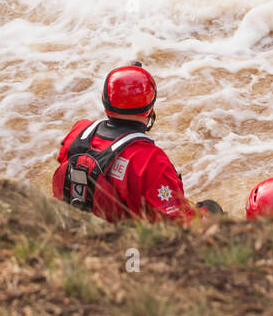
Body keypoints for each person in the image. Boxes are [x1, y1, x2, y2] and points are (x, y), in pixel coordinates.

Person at [52, 62, 221, 224]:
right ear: (150, 109)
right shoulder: (149, 160)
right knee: (212, 209)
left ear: (105, 101)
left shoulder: (79, 131)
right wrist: (207, 213)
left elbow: (65, 161)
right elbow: (179, 223)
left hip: (75, 228)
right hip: (123, 245)